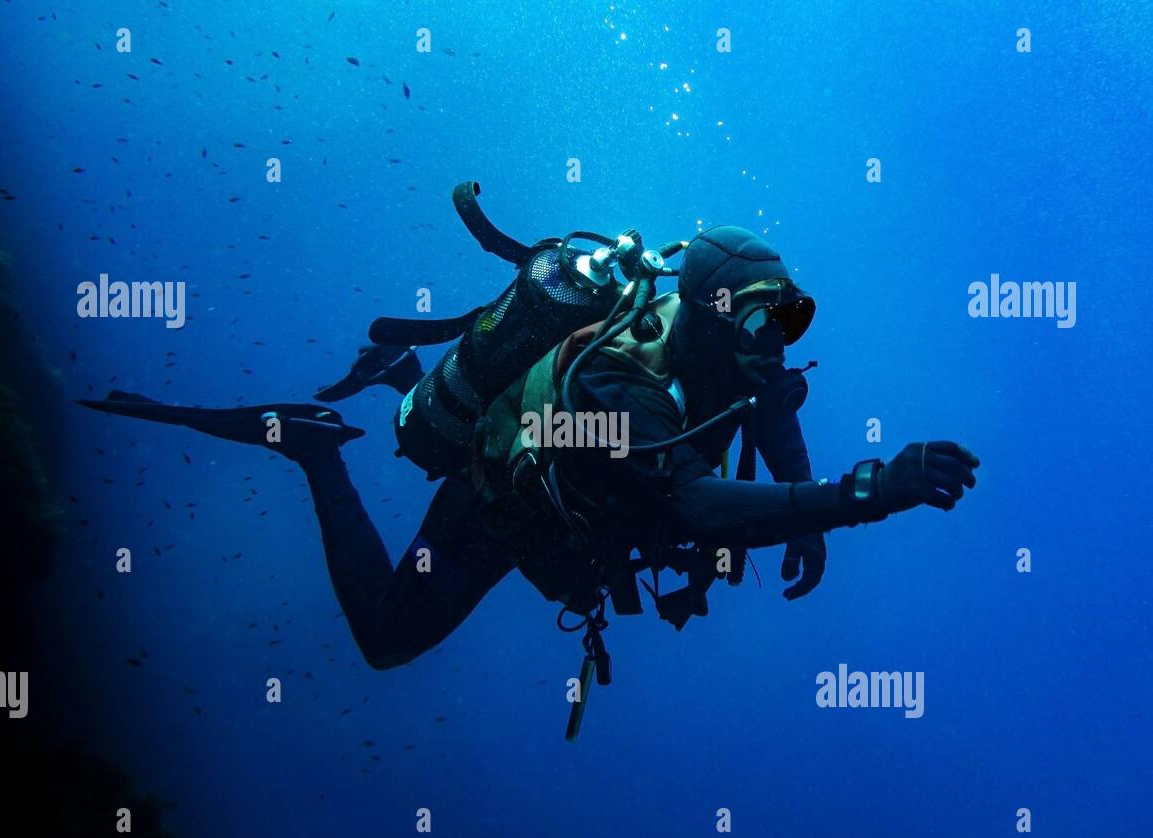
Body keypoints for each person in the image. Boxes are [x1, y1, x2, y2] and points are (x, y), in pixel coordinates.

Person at [82, 188, 979, 674]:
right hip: (497, 504)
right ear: (709, 316)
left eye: (787, 317)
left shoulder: (730, 359)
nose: (774, 341)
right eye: (757, 319)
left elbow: (771, 404)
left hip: (578, 505)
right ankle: (317, 454)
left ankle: (396, 380)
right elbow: (699, 509)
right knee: (385, 641)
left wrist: (809, 519)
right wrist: (866, 494)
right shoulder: (625, 382)